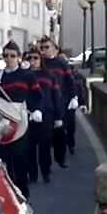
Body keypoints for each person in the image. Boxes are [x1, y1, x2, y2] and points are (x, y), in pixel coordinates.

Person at [0, 41, 41, 197]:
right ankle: (10, 194)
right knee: (4, 159)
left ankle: (23, 192)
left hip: (19, 120)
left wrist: (36, 109)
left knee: (20, 156)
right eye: (5, 55)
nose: (8, 58)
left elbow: (36, 94)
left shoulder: (27, 76)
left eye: (12, 55)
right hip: (2, 122)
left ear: (18, 57)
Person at [39, 37, 76, 169]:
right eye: (41, 48)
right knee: (46, 136)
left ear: (55, 48)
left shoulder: (61, 63)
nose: (43, 50)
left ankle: (61, 158)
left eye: (46, 47)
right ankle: (46, 165)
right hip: (45, 104)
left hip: (61, 102)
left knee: (60, 133)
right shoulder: (40, 64)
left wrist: (74, 97)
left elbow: (70, 81)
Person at [26, 48, 61, 185]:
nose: (33, 61)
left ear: (41, 60)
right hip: (28, 115)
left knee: (44, 146)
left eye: (36, 58)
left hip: (46, 115)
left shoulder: (49, 75)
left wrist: (58, 116)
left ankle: (46, 172)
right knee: (29, 147)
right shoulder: (25, 75)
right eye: (30, 58)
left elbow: (56, 95)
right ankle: (32, 174)